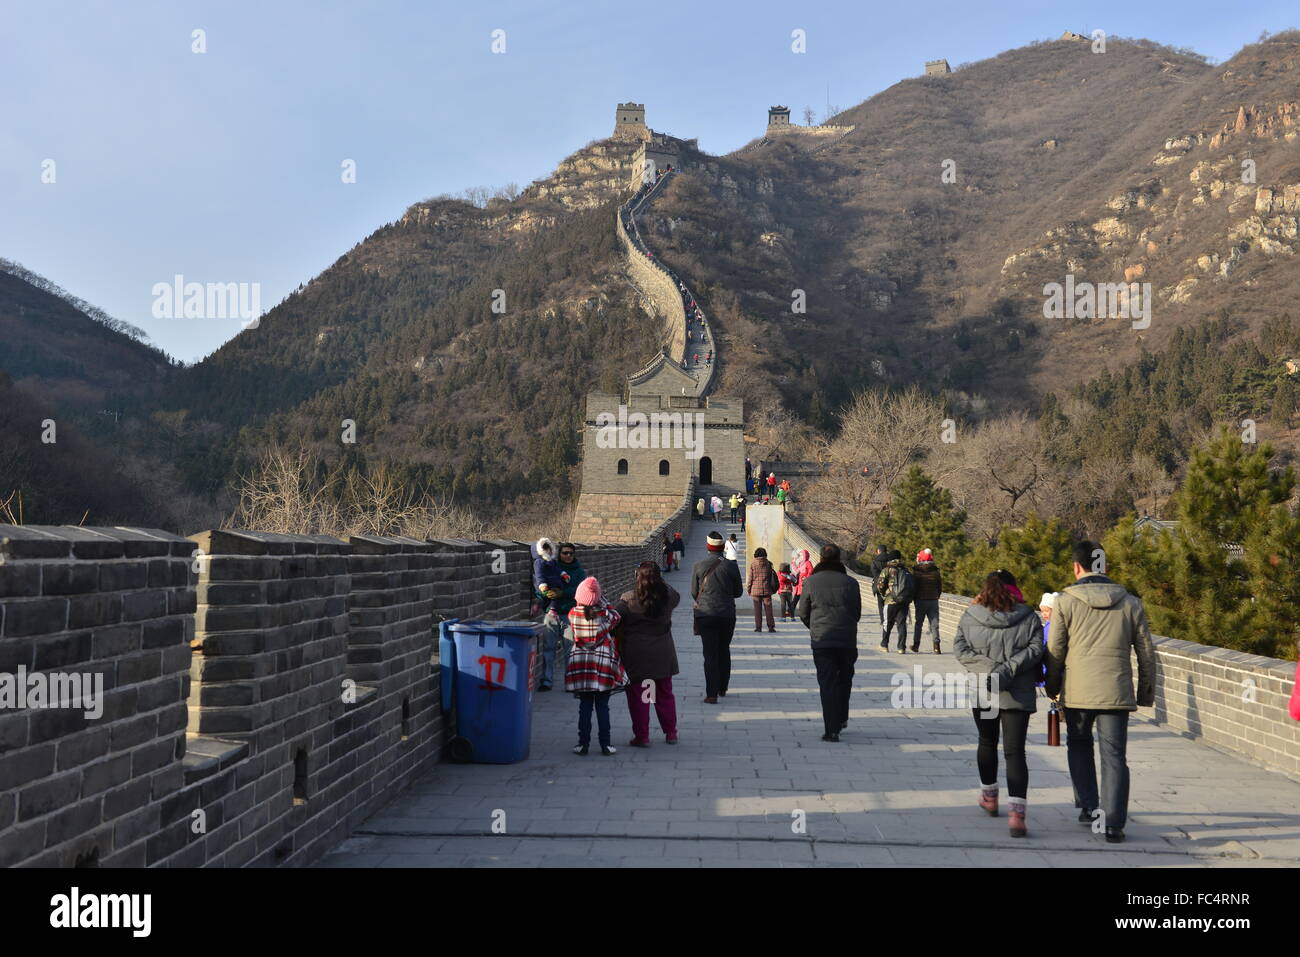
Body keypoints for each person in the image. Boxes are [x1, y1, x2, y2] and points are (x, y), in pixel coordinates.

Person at [1045, 541, 1157, 845]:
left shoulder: (1065, 602)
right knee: (1114, 756)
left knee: (1079, 746)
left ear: (1076, 567)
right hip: (1116, 690)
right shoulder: (1130, 602)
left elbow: (1055, 650)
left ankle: (1088, 806)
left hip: (1079, 691)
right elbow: (1147, 651)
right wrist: (1145, 692)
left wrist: (1052, 687)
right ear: (1105, 567)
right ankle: (1114, 824)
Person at [953, 573, 1044, 838]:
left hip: (984, 691)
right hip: (1017, 694)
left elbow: (960, 650)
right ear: (1014, 588)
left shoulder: (971, 616)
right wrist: (1006, 670)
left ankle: (989, 798)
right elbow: (1036, 650)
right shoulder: (1029, 617)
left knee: (987, 741)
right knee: (1015, 752)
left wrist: (990, 671)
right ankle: (1017, 815)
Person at [798, 544, 862, 742]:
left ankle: (831, 729)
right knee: (845, 679)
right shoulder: (851, 583)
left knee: (827, 682)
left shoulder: (811, 582)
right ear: (839, 558)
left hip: (822, 640)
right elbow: (857, 613)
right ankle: (841, 717)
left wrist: (815, 627)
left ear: (821, 558)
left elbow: (803, 612)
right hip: (846, 639)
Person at [614, 563, 680, 747]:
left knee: (640, 696)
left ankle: (642, 736)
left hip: (637, 654)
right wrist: (659, 582)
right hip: (662, 652)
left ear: (637, 576)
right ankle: (671, 732)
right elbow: (676, 595)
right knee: (664, 694)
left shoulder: (628, 600)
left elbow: (614, 619)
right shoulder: (668, 596)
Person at [565, 577, 627, 756]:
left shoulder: (572, 614)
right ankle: (605, 744)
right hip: (602, 664)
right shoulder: (605, 616)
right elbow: (617, 617)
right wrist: (603, 602)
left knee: (584, 706)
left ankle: (582, 744)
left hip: (581, 663)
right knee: (602, 706)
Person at [691, 530, 744, 703]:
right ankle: (722, 687)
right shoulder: (731, 565)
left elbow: (693, 592)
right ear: (723, 547)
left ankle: (711, 694)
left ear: (708, 546)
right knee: (724, 649)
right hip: (727, 614)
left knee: (710, 654)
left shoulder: (698, 565)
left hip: (706, 614)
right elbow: (738, 592)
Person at [875, 549, 914, 653]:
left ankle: (884, 645)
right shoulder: (905, 570)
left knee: (887, 623)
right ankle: (901, 647)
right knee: (901, 624)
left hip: (890, 601)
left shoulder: (887, 569)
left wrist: (885, 594)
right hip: (904, 602)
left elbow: (880, 585)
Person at [911, 548, 943, 654]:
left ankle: (916, 645)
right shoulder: (936, 571)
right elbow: (939, 587)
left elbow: (914, 587)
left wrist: (914, 599)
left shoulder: (917, 572)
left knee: (918, 623)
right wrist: (936, 596)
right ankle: (936, 646)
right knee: (934, 624)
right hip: (933, 600)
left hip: (920, 600)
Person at [747, 547, 779, 633]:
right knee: (769, 609)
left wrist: (749, 589)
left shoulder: (753, 564)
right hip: (767, 589)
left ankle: (758, 627)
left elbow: (750, 578)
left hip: (755, 590)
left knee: (757, 610)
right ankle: (771, 627)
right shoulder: (768, 564)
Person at [869, 545, 891, 646]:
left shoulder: (874, 561)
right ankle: (889, 618)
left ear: (878, 551)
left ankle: (883, 620)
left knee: (880, 603)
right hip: (890, 584)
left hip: (878, 584)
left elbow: (874, 573)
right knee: (888, 602)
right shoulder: (890, 560)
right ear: (886, 551)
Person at [1036, 592, 1059, 688]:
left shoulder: (1055, 626)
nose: (1043, 614)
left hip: (1050, 664)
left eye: (1047, 610)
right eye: (1042, 611)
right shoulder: (1047, 625)